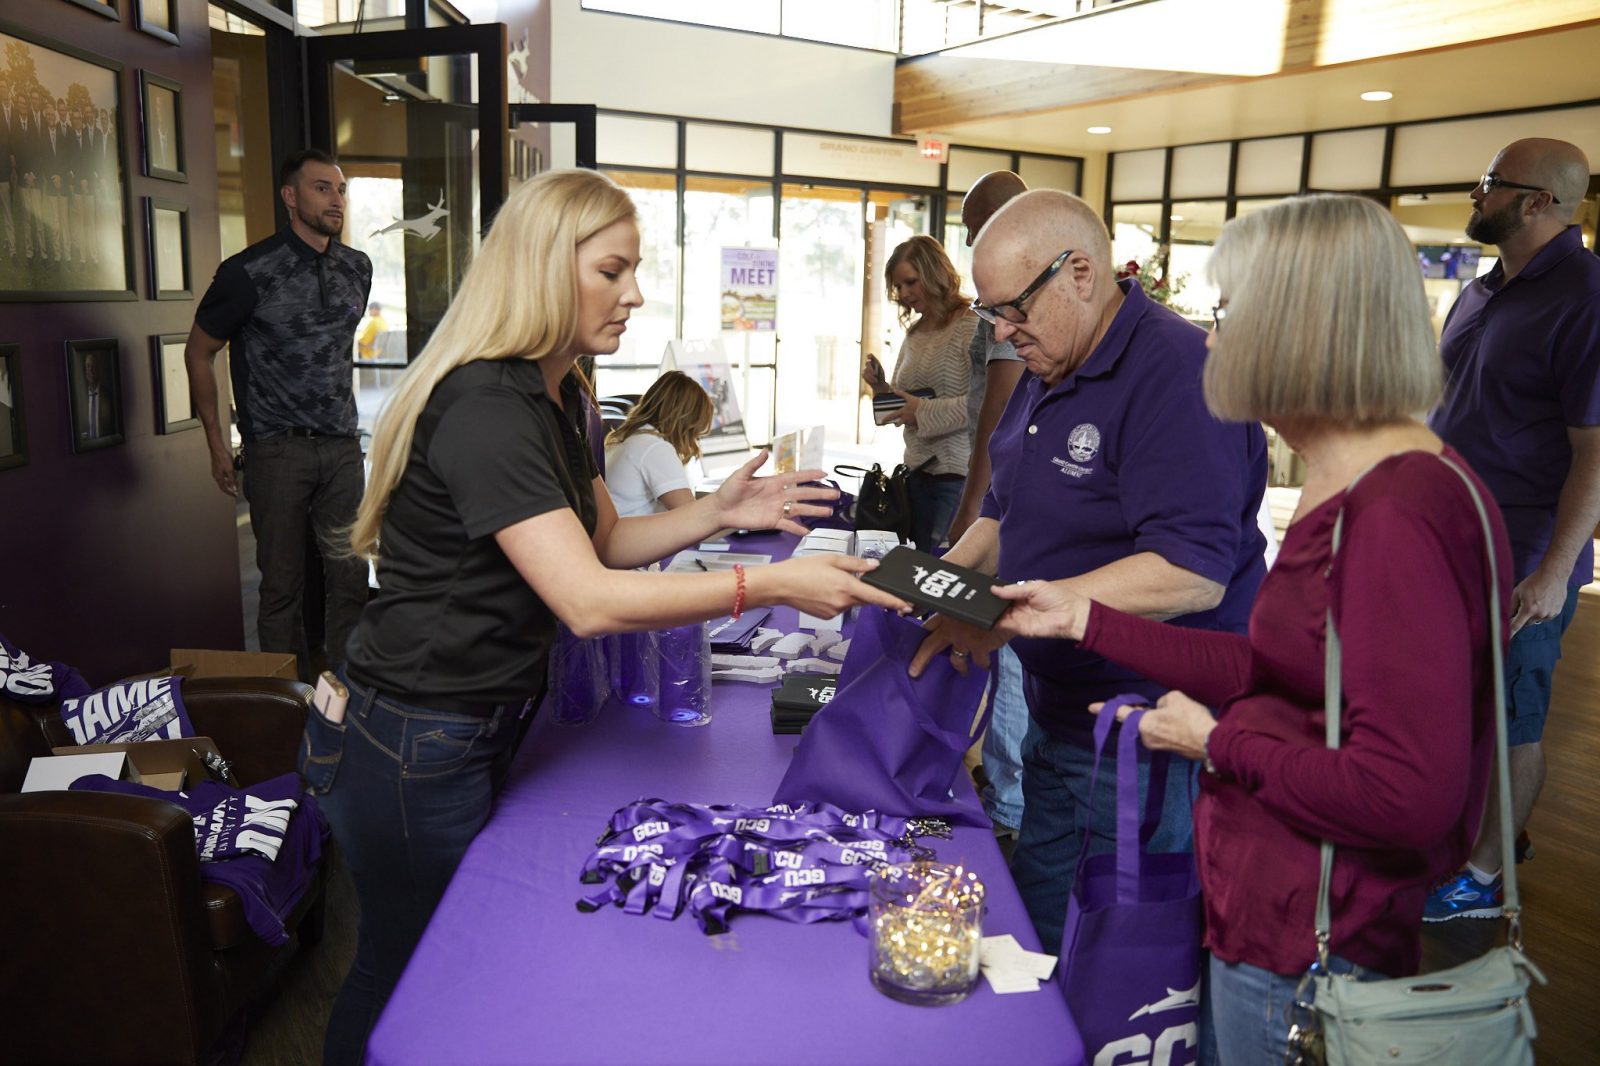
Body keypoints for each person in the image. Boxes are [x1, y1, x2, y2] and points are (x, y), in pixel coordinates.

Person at [307, 168, 909, 1065]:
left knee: (456, 965)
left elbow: (606, 540)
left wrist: (716, 516)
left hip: (468, 725)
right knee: (408, 973)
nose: (633, 294)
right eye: (611, 271)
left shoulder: (557, 394)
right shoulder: (484, 404)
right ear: (546, 268)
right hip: (412, 738)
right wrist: (772, 587)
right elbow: (587, 600)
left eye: (633, 271)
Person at [989, 194, 1513, 1061]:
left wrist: (1215, 742)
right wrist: (1086, 618)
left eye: (1231, 315)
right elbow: (1280, 667)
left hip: (1309, 941)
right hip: (1278, 916)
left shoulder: (1393, 513)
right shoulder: (1358, 484)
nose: (1212, 339)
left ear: (1304, 330)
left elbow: (1407, 794)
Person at [908, 189, 1267, 954]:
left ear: (1079, 273)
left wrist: (1046, 607)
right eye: (990, 314)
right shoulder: (1051, 363)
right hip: (1060, 713)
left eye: (1013, 311)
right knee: (1040, 929)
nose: (1003, 333)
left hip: (1145, 730)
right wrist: (940, 582)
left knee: (1124, 952)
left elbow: (1191, 572)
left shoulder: (1176, 372)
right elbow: (1004, 514)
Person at [1423, 138, 1600, 923]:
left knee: (1513, 719)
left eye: (1489, 183)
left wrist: (1556, 571)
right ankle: (1483, 836)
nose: (1475, 191)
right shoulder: (1484, 287)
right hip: (1451, 539)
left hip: (1524, 548)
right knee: (1456, 708)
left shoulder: (1587, 296)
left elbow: (1596, 453)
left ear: (1537, 203)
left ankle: (1486, 878)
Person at [184, 149, 373, 681]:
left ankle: (351, 698)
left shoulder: (357, 267)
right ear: (290, 197)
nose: (335, 200)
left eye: (340, 190)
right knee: (282, 588)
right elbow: (199, 350)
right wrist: (217, 443)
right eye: (321, 188)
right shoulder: (247, 271)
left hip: (340, 448)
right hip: (276, 450)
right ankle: (287, 707)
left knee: (352, 578)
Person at [950, 170, 1030, 842]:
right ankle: (1009, 793)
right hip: (1002, 504)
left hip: (999, 504)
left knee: (1007, 653)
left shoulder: (1010, 304)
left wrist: (972, 510)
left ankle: (1007, 803)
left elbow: (994, 418)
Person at [863, 234, 977, 551]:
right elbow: (900, 409)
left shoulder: (972, 325)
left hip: (956, 479)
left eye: (910, 282)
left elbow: (984, 406)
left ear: (934, 273)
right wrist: (881, 389)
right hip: (914, 474)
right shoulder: (915, 330)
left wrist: (921, 411)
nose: (904, 293)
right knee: (912, 571)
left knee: (939, 576)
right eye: (898, 287)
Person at [604, 369, 714, 517]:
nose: (694, 441)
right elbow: (692, 518)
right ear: (687, 422)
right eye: (695, 433)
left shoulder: (628, 438)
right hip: (636, 538)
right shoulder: (654, 448)